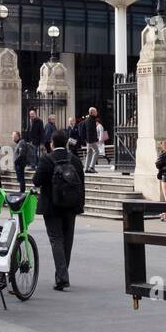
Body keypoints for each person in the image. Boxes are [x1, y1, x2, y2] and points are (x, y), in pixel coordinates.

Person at [35, 128, 85, 290]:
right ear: (66, 143)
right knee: (67, 240)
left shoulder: (47, 160)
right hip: (71, 206)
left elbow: (36, 181)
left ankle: (62, 277)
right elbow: (81, 185)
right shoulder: (75, 160)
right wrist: (80, 205)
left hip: (52, 206)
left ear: (52, 143)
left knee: (56, 239)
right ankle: (62, 274)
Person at [82, 108, 99, 174]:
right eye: (95, 111)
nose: (97, 112)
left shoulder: (88, 119)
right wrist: (94, 139)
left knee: (89, 153)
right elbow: (90, 131)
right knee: (97, 151)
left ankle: (86, 168)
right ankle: (91, 167)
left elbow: (85, 130)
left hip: (89, 140)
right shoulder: (91, 120)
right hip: (91, 140)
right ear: (92, 112)